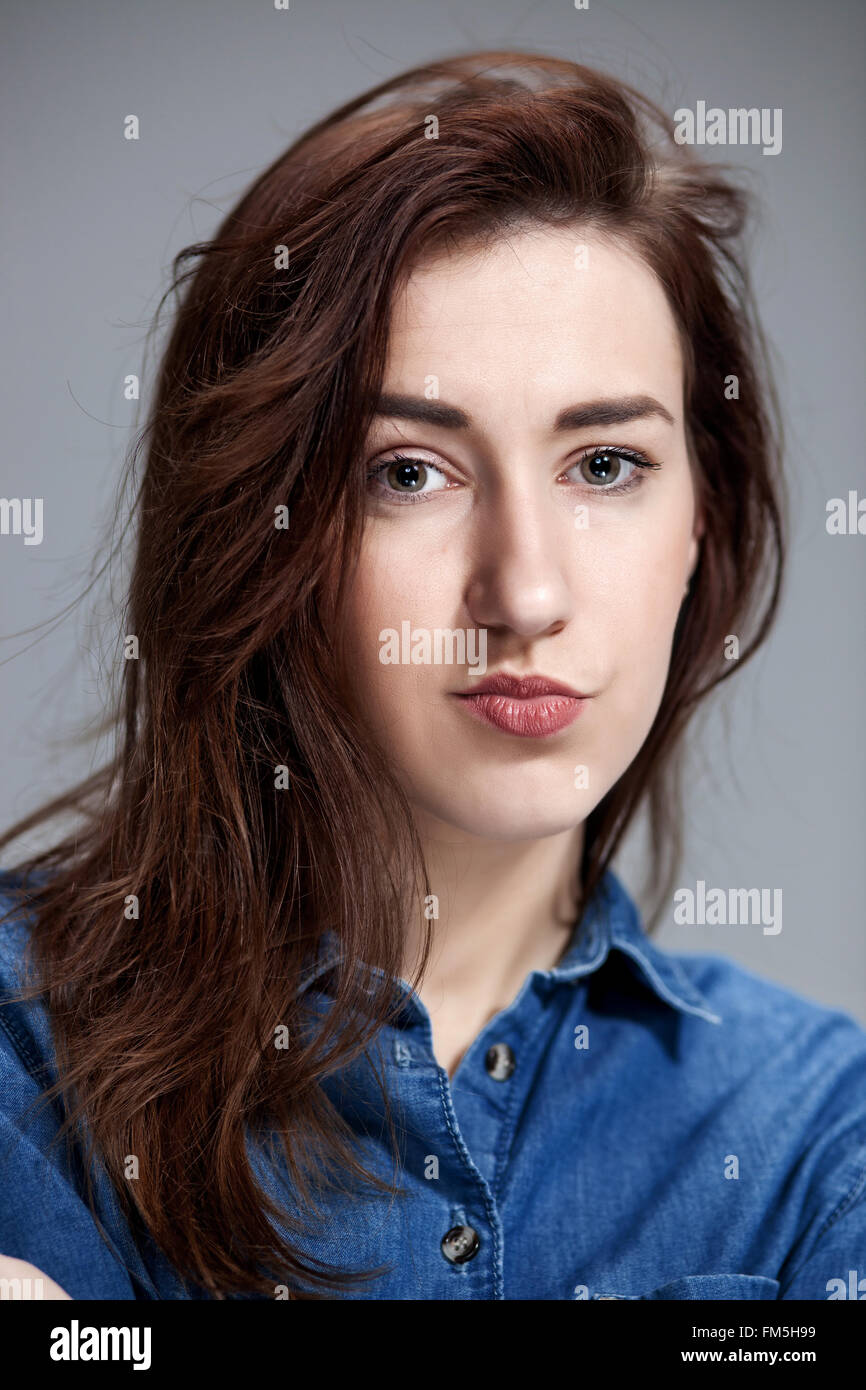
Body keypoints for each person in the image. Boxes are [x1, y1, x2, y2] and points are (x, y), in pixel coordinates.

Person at [1, 51, 864, 1302]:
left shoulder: (818, 1142)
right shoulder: (22, 1058)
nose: (522, 592)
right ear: (266, 525)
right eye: (408, 471)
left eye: (605, 465)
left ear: (698, 525)